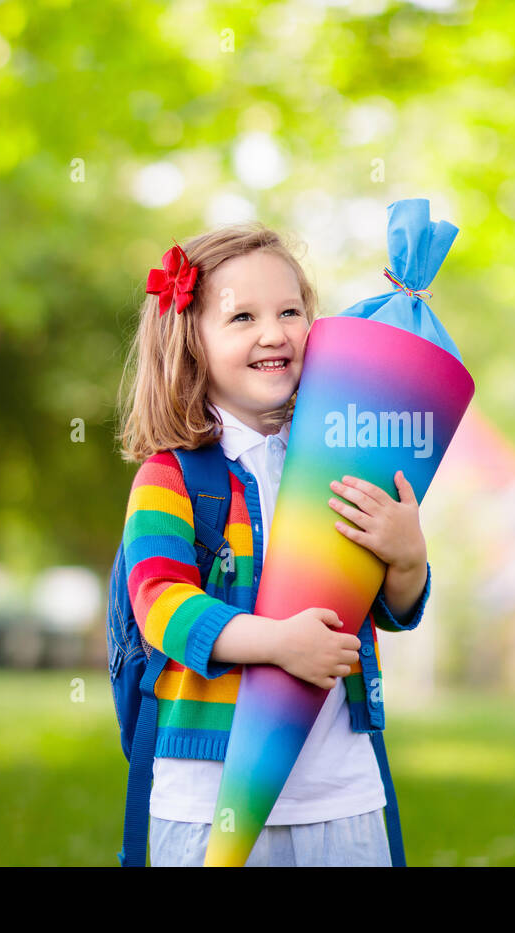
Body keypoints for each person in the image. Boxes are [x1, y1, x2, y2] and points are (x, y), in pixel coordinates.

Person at [115, 224, 432, 866]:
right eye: (242, 316)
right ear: (191, 343)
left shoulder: (340, 460)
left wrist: (408, 557)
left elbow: (389, 608)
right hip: (209, 795)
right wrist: (281, 643)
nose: (274, 332)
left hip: (340, 789)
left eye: (291, 311)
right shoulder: (172, 477)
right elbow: (161, 606)